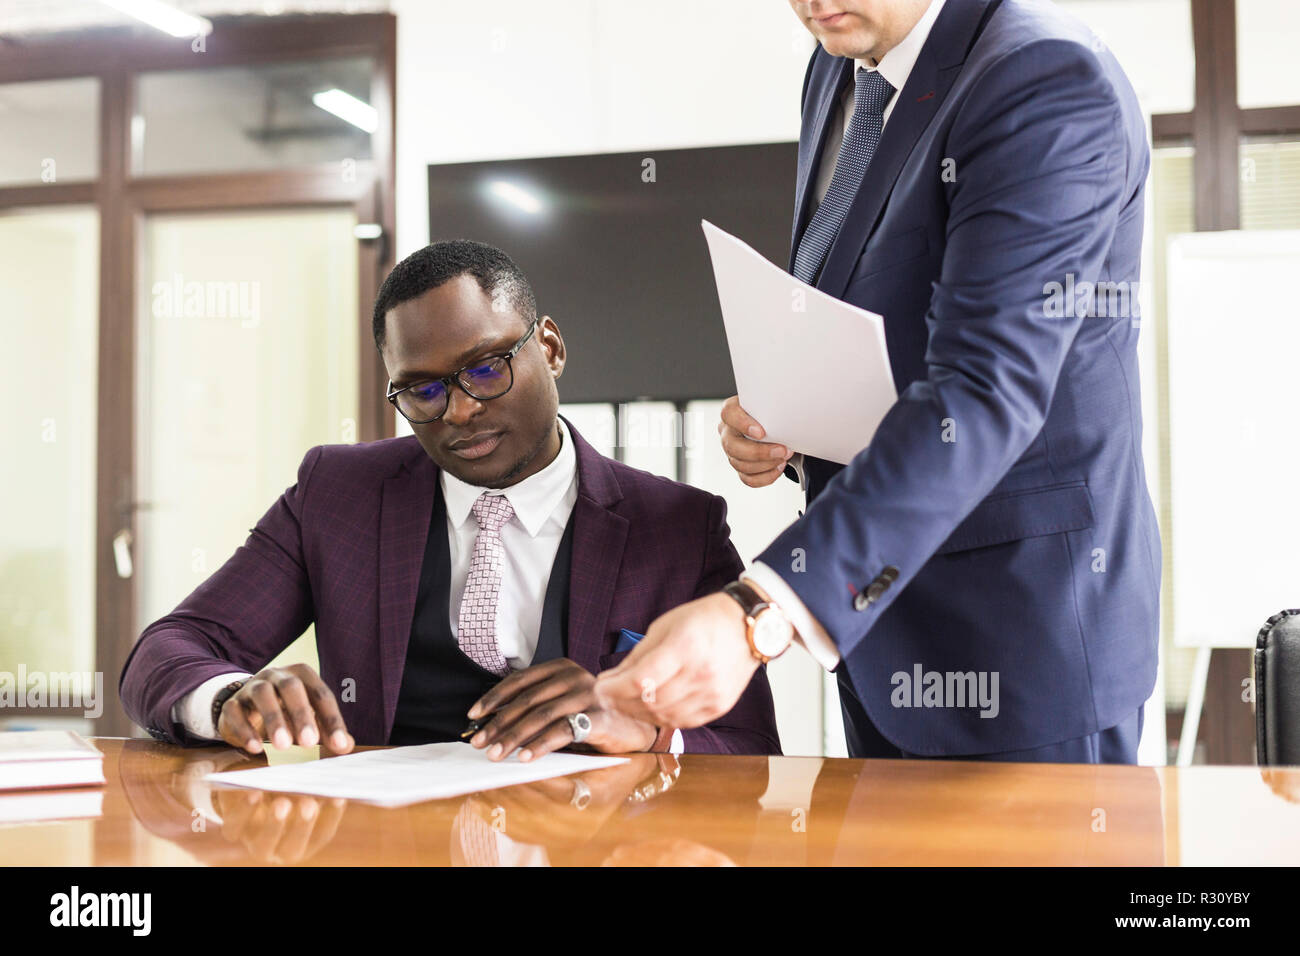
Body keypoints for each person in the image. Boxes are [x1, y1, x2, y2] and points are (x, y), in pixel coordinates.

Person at [596, 0, 1160, 764]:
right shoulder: (838, 66)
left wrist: (759, 611)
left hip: (1022, 644)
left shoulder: (1044, 79)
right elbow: (869, 304)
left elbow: (983, 392)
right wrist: (792, 420)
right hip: (876, 642)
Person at [120, 240, 781, 760]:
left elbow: (749, 749)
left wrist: (646, 731)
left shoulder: (678, 526)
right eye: (422, 392)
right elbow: (170, 648)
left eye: (487, 368)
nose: (459, 411)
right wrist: (231, 696)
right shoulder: (338, 496)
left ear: (548, 349)